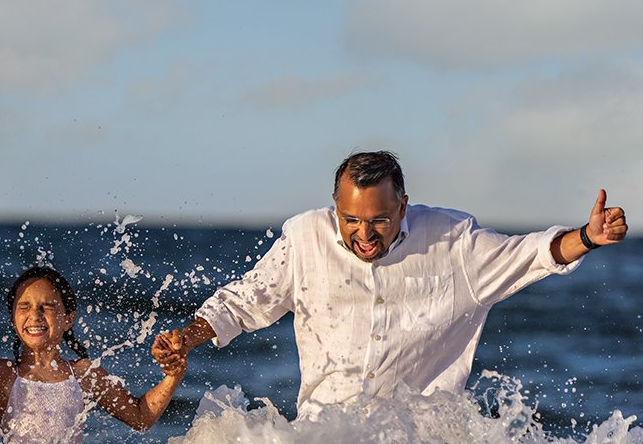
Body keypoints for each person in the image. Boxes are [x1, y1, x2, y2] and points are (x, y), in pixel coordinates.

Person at [153, 150, 629, 417]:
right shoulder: (304, 238)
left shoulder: (452, 241)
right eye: (349, 220)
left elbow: (530, 255)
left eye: (378, 220)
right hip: (324, 439)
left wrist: (587, 237)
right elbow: (244, 302)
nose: (363, 234)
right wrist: (187, 337)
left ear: (402, 206)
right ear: (334, 207)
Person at [0, 265, 186, 444]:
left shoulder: (84, 374)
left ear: (69, 319)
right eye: (24, 307)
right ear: (13, 318)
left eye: (47, 306)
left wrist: (171, 378)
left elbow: (141, 417)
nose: (35, 315)